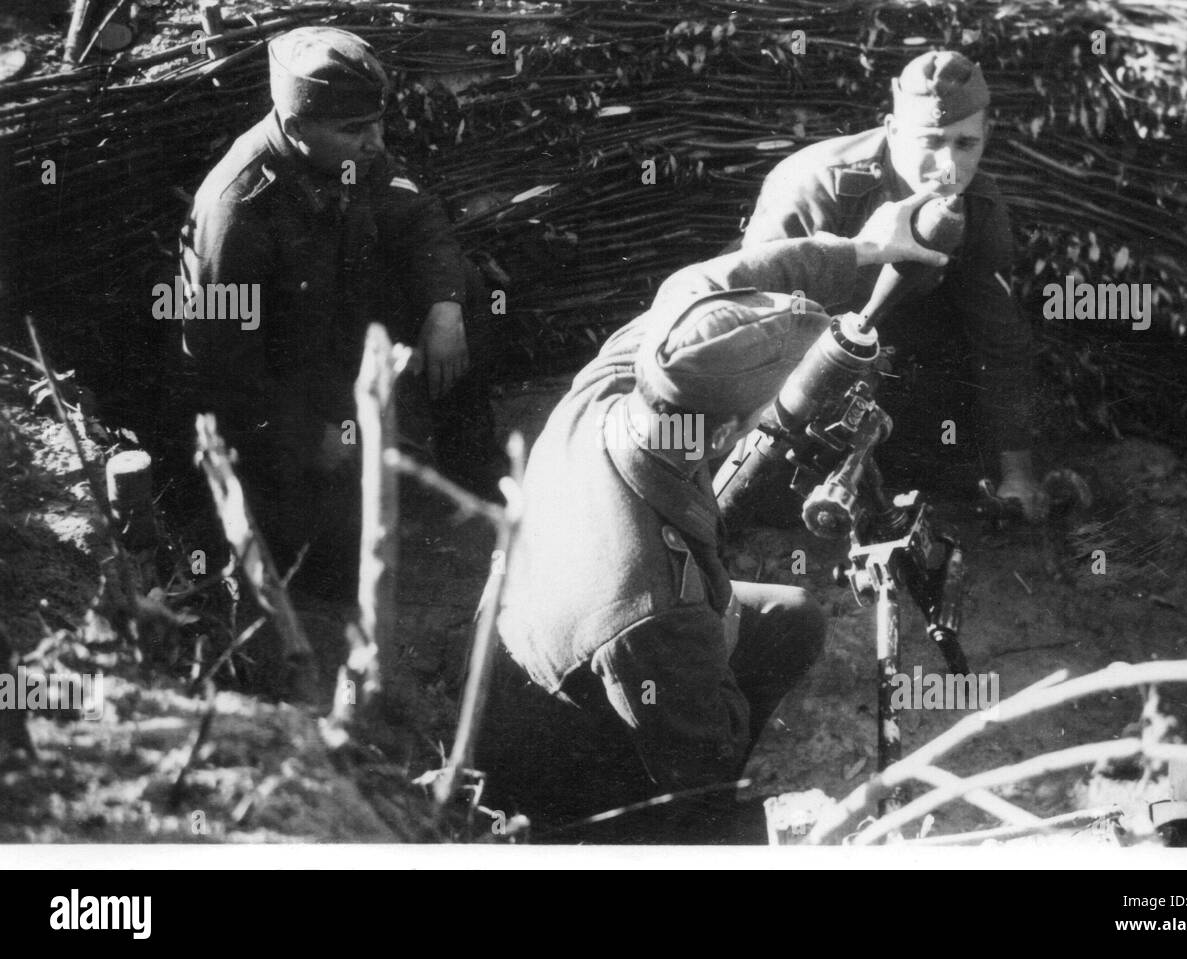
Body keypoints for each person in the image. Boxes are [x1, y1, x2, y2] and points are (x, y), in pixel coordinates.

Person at [477, 189, 951, 843]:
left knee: (791, 620)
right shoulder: (654, 609)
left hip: (532, 638)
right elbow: (702, 754)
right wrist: (714, 625)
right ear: (728, 430)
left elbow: (710, 282)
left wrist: (864, 249)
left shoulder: (625, 376)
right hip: (550, 748)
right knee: (716, 807)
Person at [175, 26, 498, 592]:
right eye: (355, 129)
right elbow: (222, 369)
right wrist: (306, 435)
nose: (375, 141)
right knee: (338, 571)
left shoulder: (351, 153)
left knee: (466, 289)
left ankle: (469, 476)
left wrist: (445, 308)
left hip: (340, 344)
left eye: (377, 123)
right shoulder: (238, 212)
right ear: (296, 127)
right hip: (281, 393)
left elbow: (417, 216)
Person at [741, 50, 1045, 520]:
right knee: (756, 494)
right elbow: (748, 315)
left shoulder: (978, 205)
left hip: (881, 360)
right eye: (930, 142)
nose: (946, 166)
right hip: (780, 355)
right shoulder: (817, 187)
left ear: (986, 138)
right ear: (892, 130)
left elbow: (1000, 340)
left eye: (965, 144)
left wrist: (1019, 475)